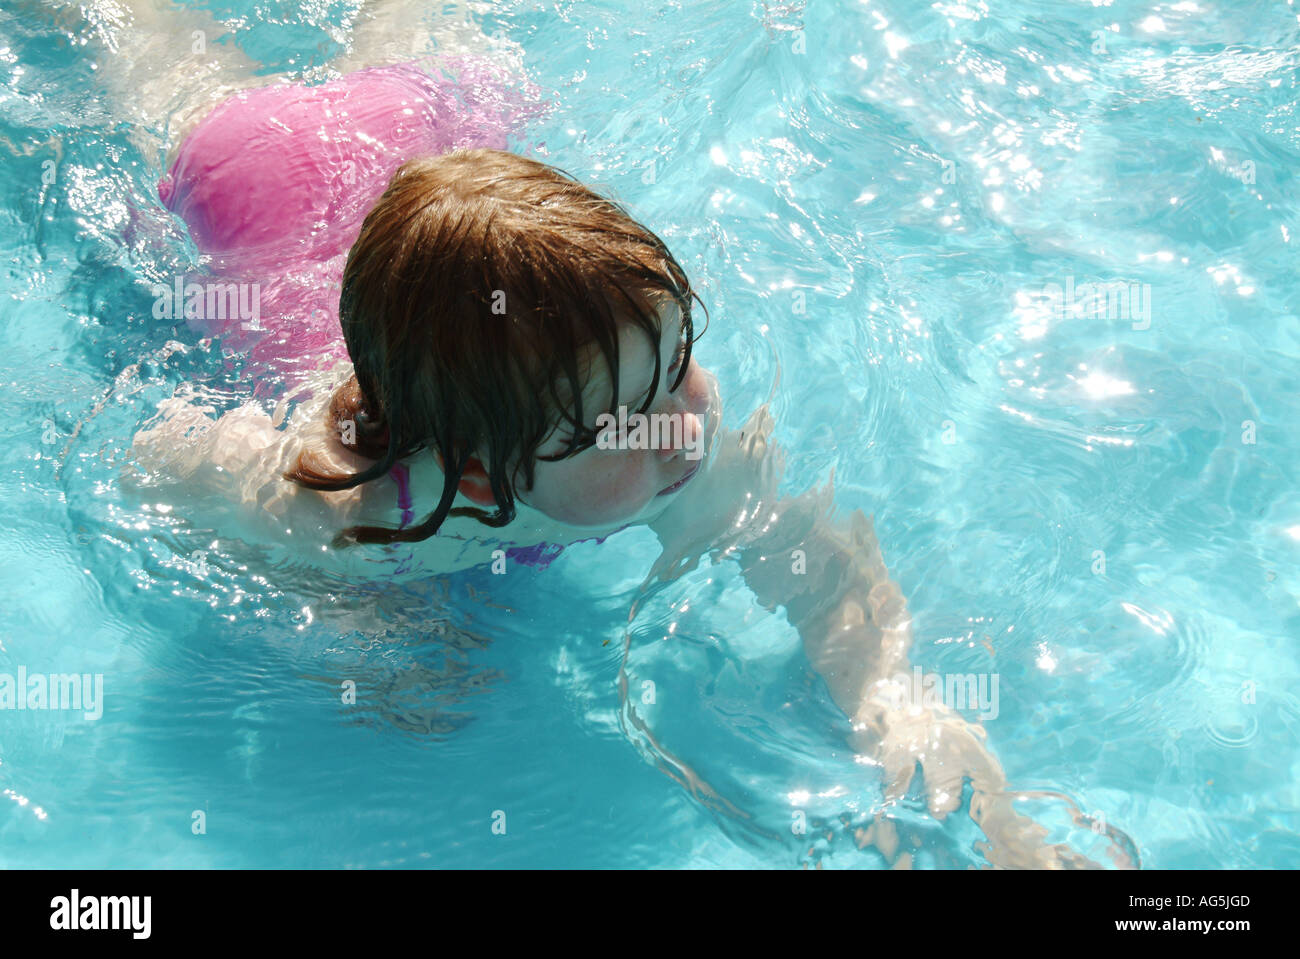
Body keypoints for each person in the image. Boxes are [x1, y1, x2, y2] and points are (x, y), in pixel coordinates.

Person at [68, 0, 1126, 867]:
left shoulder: (677, 452)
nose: (682, 428)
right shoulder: (358, 508)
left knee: (411, 44)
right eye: (623, 418)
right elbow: (156, 466)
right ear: (477, 470)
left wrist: (890, 692)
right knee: (149, 49)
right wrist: (357, 624)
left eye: (674, 368)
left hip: (419, 137)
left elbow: (818, 567)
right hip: (257, 182)